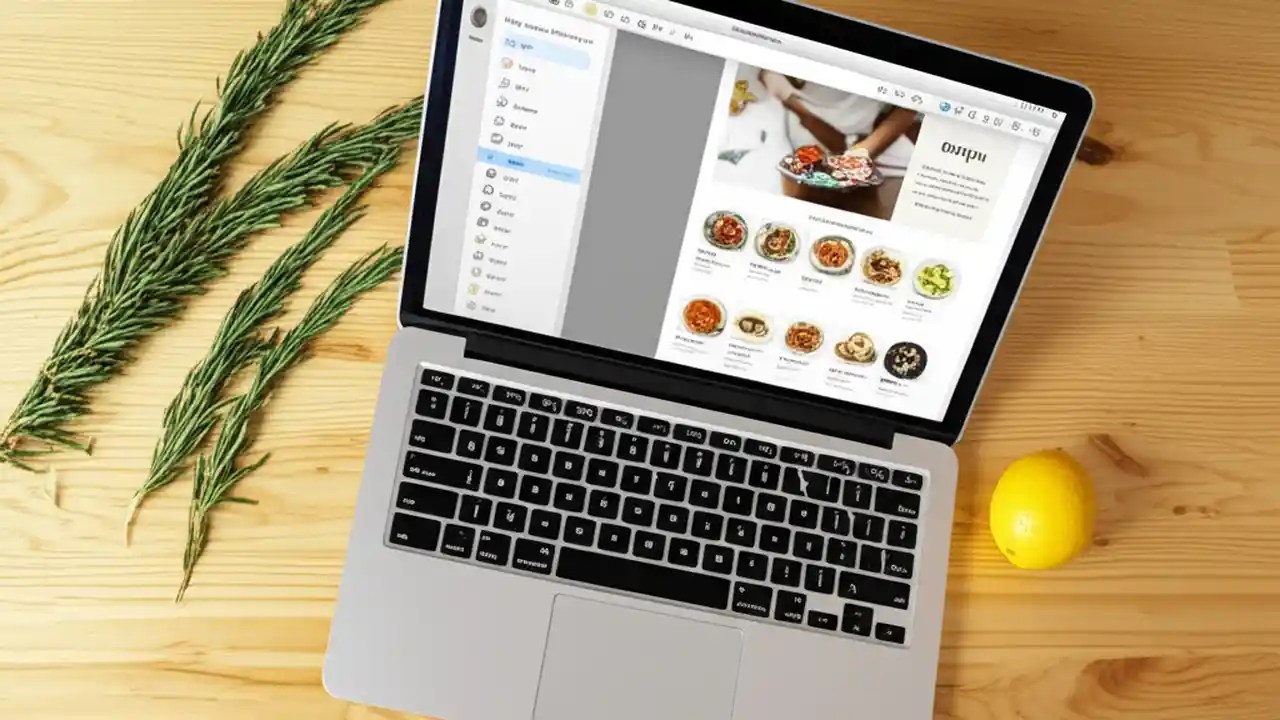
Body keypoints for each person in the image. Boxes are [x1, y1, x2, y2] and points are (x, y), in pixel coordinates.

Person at [759, 69, 917, 171]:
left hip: (886, 128)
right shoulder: (773, 79)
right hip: (854, 143)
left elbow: (910, 106)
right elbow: (810, 121)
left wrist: (865, 151)